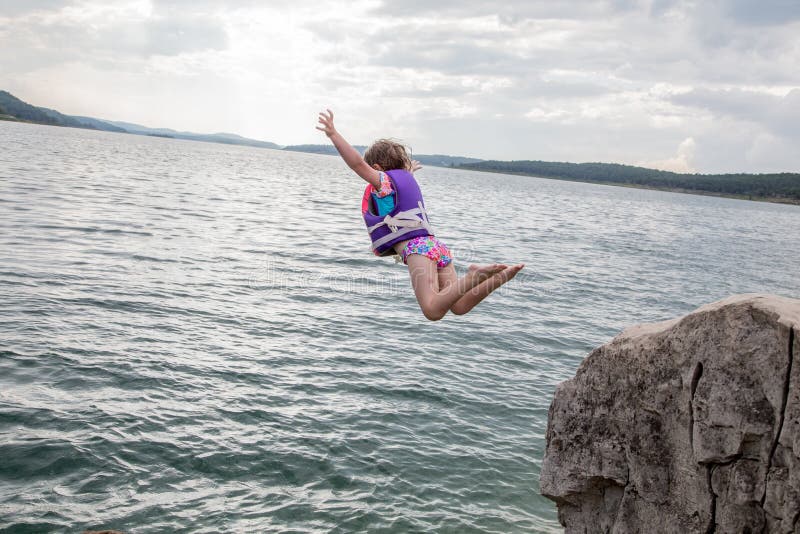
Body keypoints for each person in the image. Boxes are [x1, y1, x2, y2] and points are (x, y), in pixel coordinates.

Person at [317, 109, 524, 320]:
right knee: (459, 306)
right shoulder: (406, 178)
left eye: (373, 171)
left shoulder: (383, 182)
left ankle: (474, 276)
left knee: (432, 310)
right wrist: (409, 170)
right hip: (437, 247)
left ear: (377, 168)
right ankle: (502, 276)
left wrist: (334, 134)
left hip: (418, 249)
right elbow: (403, 178)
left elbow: (357, 164)